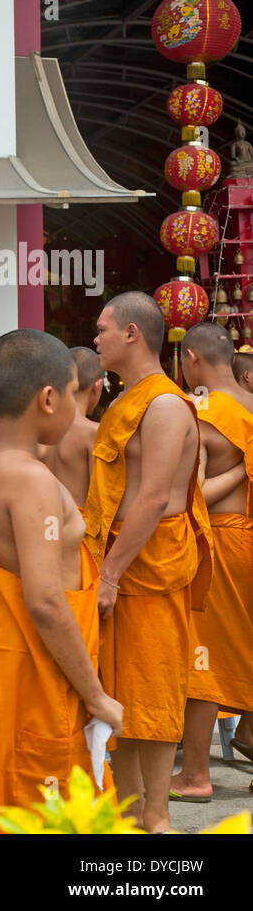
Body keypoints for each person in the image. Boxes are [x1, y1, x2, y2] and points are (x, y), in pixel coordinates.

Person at [0, 328, 123, 833]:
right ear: (48, 397)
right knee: (43, 812)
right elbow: (44, 601)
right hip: (37, 676)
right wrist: (96, 694)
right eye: (75, 393)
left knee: (5, 803)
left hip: (3, 676)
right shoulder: (30, 479)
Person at [85, 291, 212, 833]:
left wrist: (110, 573)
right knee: (119, 691)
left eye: (103, 330)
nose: (96, 340)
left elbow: (154, 496)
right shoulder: (125, 399)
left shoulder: (162, 404)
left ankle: (157, 818)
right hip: (117, 557)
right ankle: (130, 809)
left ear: (132, 334)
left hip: (147, 565)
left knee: (152, 690)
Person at [169, 323, 253, 803]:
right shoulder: (250, 406)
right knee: (242, 646)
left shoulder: (201, 410)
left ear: (193, 359)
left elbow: (192, 492)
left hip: (220, 540)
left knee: (203, 659)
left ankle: (196, 774)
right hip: (248, 542)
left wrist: (240, 467)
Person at [37, 346, 103, 509]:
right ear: (97, 386)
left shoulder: (39, 429)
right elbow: (101, 500)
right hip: (80, 529)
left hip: (43, 524)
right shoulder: (94, 433)